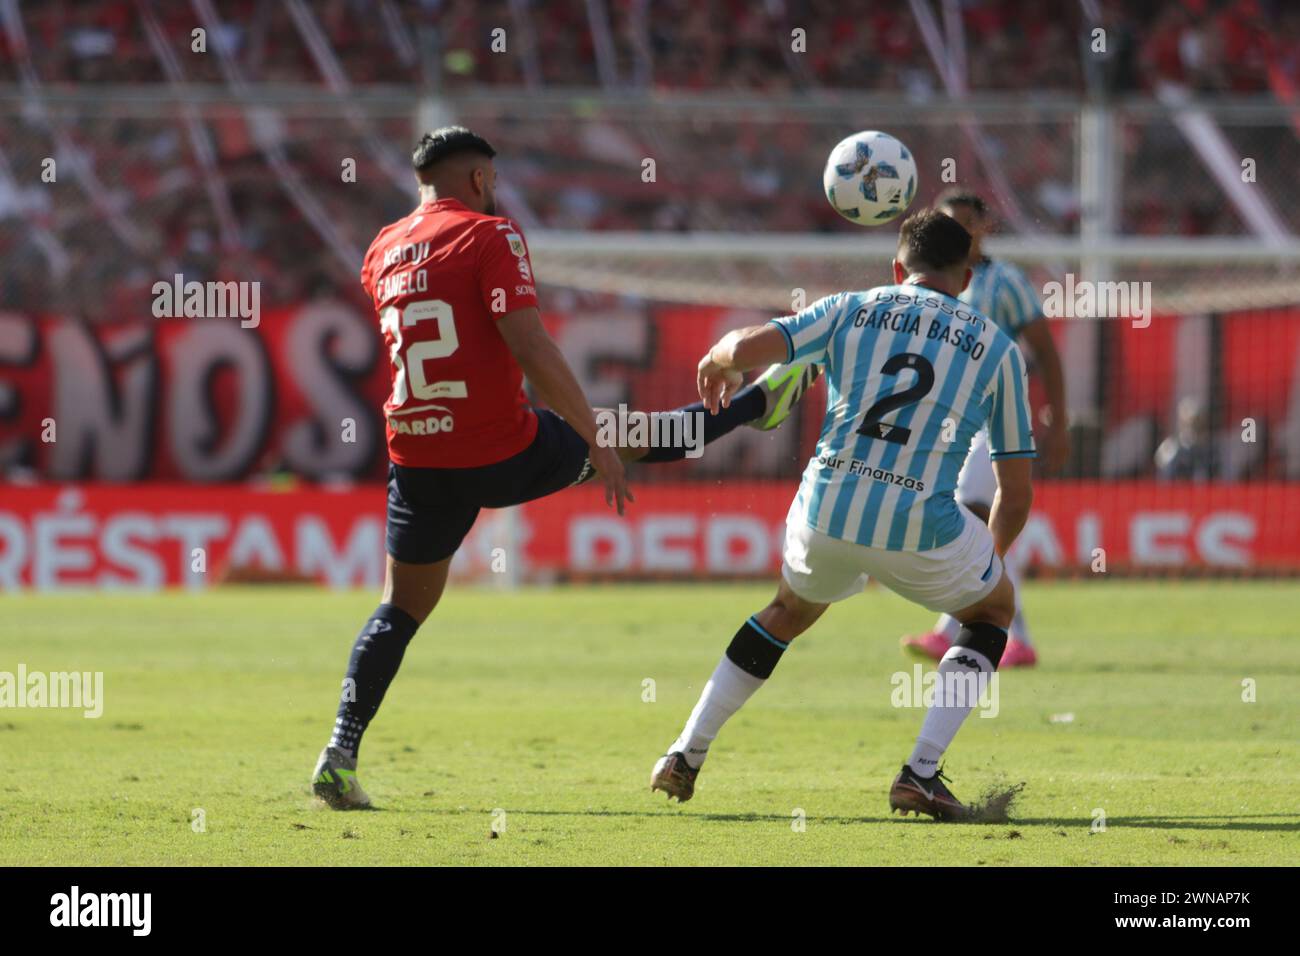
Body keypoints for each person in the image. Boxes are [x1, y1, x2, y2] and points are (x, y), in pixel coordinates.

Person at [311, 126, 816, 809]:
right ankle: (759, 403)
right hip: (501, 447)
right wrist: (590, 439)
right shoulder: (492, 235)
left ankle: (339, 751)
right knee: (634, 435)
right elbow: (532, 347)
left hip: (419, 454)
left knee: (399, 609)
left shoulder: (381, 248)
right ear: (482, 179)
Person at [650, 209, 1036, 820]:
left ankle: (684, 752)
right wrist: (987, 565)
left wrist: (720, 357)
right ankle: (921, 773)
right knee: (993, 612)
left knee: (785, 611)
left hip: (825, 509)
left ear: (896, 267)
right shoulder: (997, 348)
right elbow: (1015, 490)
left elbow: (747, 347)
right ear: (965, 278)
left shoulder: (850, 307)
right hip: (920, 522)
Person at [898, 189, 1067, 668]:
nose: (957, 232)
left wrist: (1059, 417)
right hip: (952, 423)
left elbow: (1046, 351)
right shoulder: (935, 285)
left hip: (994, 420)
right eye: (947, 223)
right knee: (973, 523)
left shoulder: (1005, 282)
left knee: (973, 517)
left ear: (983, 228)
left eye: (965, 224)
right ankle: (968, 628)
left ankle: (992, 632)